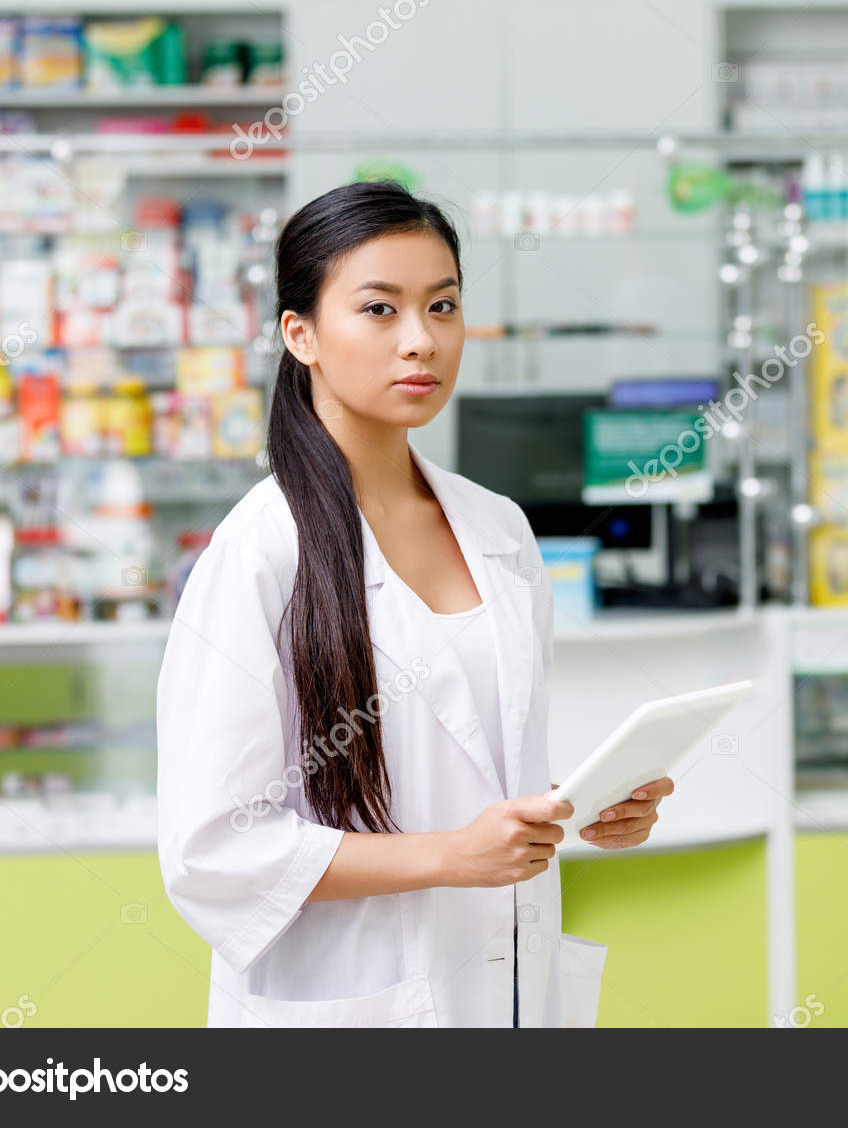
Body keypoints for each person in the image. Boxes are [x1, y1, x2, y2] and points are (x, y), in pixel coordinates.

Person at [156, 180, 673, 1028]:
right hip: (357, 997)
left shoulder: (497, 529)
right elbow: (214, 849)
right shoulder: (261, 553)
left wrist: (581, 804)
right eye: (379, 310)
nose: (420, 341)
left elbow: (468, 763)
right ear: (301, 335)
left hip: (502, 986)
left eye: (442, 305)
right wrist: (452, 856)